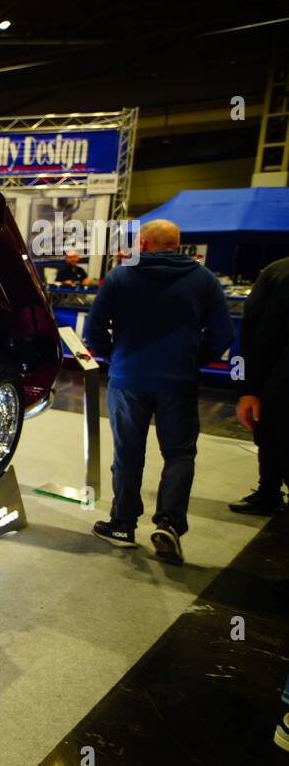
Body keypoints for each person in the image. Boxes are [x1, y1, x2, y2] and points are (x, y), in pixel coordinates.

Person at [83, 219, 233, 564]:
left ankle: (122, 524)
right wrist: (193, 359)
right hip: (178, 380)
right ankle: (169, 524)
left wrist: (115, 356)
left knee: (128, 453)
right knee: (179, 454)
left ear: (144, 244)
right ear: (175, 245)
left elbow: (93, 331)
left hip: (129, 378)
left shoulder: (121, 275)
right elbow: (223, 335)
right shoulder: (204, 278)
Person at [232, 254, 289, 515]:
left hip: (277, 378)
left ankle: (268, 493)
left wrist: (248, 388)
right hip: (275, 376)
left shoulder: (278, 272)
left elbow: (256, 331)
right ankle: (267, 493)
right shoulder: (278, 272)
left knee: (271, 435)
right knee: (269, 433)